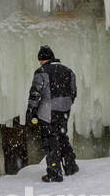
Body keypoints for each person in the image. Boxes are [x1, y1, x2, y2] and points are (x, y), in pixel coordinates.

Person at [25, 45, 78, 182]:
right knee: (62, 136)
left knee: (50, 140)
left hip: (48, 111)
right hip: (65, 109)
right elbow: (73, 92)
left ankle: (54, 172)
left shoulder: (41, 72)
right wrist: (66, 103)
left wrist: (31, 112)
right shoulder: (68, 71)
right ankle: (70, 165)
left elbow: (35, 94)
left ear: (42, 60)